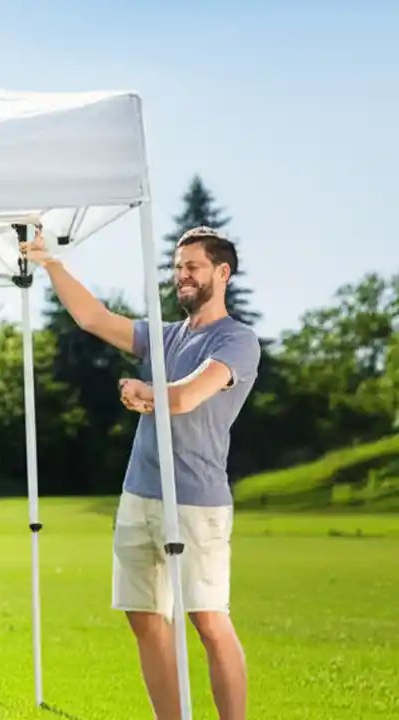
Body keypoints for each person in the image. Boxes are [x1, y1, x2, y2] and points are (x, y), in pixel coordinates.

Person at [23, 226, 260, 720]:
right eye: (177, 268)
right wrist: (49, 263)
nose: (182, 277)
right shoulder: (164, 336)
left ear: (222, 273)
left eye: (192, 267)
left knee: (209, 620)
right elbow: (92, 317)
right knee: (145, 617)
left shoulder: (238, 341)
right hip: (140, 495)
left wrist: (145, 391)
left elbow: (187, 397)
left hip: (197, 502)